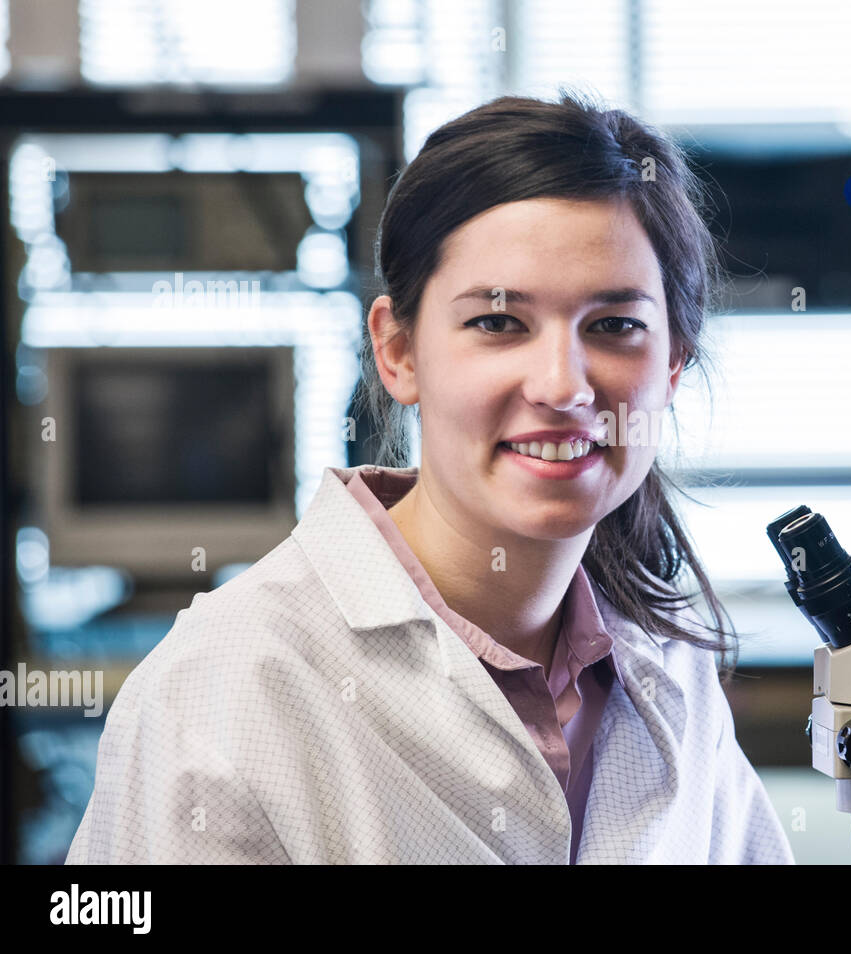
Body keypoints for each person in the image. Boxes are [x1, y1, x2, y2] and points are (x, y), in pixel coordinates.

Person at [64, 88, 794, 865]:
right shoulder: (225, 685)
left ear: (673, 363)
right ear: (399, 352)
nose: (561, 385)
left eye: (615, 326)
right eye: (498, 322)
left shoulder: (668, 669)